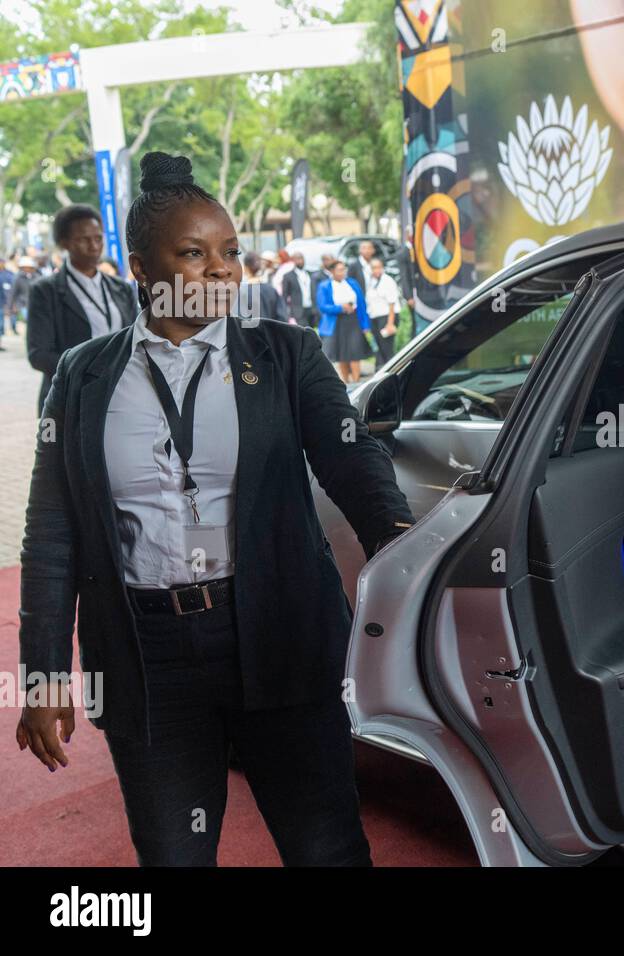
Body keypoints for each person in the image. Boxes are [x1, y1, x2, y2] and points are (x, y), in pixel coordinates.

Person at [15, 150, 415, 867]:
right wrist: (43, 674)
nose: (223, 269)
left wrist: (397, 538)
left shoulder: (285, 353)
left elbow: (352, 459)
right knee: (173, 856)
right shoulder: (83, 376)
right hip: (145, 654)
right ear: (140, 269)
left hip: (277, 635)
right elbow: (52, 535)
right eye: (194, 254)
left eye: (230, 251)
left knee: (326, 849)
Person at [26, 207, 136, 413]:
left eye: (98, 238)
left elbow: (134, 338)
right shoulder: (46, 291)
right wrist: (89, 371)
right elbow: (39, 354)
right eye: (83, 239)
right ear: (64, 243)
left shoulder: (120, 288)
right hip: (68, 398)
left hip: (119, 394)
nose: (94, 246)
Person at [316, 258, 371, 382]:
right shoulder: (325, 286)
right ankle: (345, 382)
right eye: (339, 270)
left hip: (353, 321)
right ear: (332, 272)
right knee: (342, 355)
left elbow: (362, 304)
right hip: (337, 323)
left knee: (354, 353)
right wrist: (340, 308)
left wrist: (365, 324)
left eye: (344, 270)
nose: (342, 273)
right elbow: (323, 306)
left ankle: (356, 382)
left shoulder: (352, 283)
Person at [363, 256, 401, 365]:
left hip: (387, 317)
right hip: (375, 317)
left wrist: (390, 324)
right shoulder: (371, 281)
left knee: (387, 348)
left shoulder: (387, 280)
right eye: (374, 268)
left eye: (379, 267)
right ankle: (381, 370)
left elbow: (392, 303)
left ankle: (392, 371)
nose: (376, 270)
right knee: (379, 348)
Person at [239, 252, 288, 322]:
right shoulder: (271, 290)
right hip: (271, 331)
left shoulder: (240, 293)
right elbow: (282, 318)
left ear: (245, 268)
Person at [280, 252, 316, 327]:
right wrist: (287, 313)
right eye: (298, 259)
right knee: (303, 331)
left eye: (302, 258)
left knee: (312, 332)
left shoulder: (309, 274)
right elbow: (284, 296)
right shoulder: (288, 276)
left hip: (312, 309)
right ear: (293, 261)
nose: (300, 261)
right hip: (298, 311)